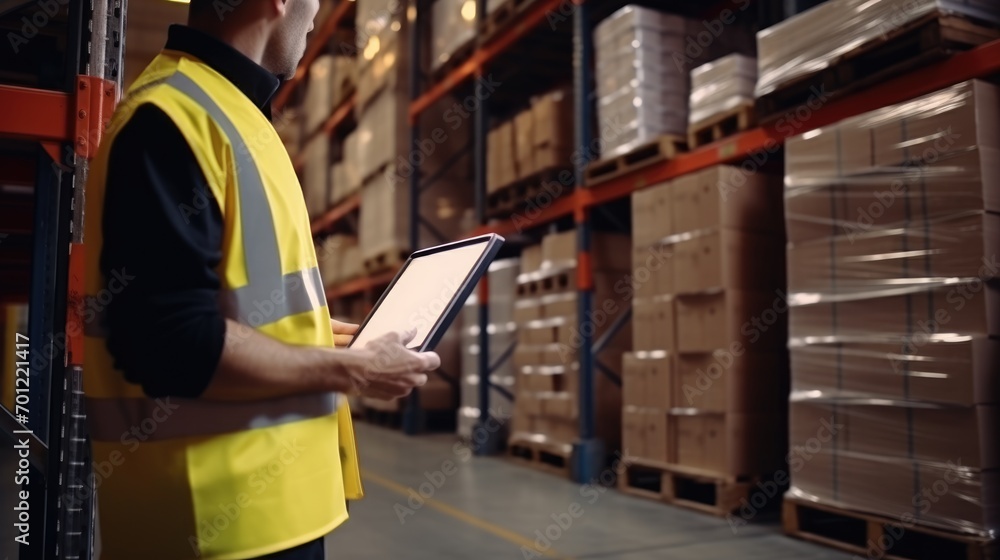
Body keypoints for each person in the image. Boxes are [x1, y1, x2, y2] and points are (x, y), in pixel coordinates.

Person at [80, 0, 440, 556]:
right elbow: (167, 340)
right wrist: (352, 370)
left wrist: (324, 336)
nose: (317, 14)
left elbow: (245, 305)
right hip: (208, 525)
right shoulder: (170, 118)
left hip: (274, 514)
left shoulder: (237, 114)